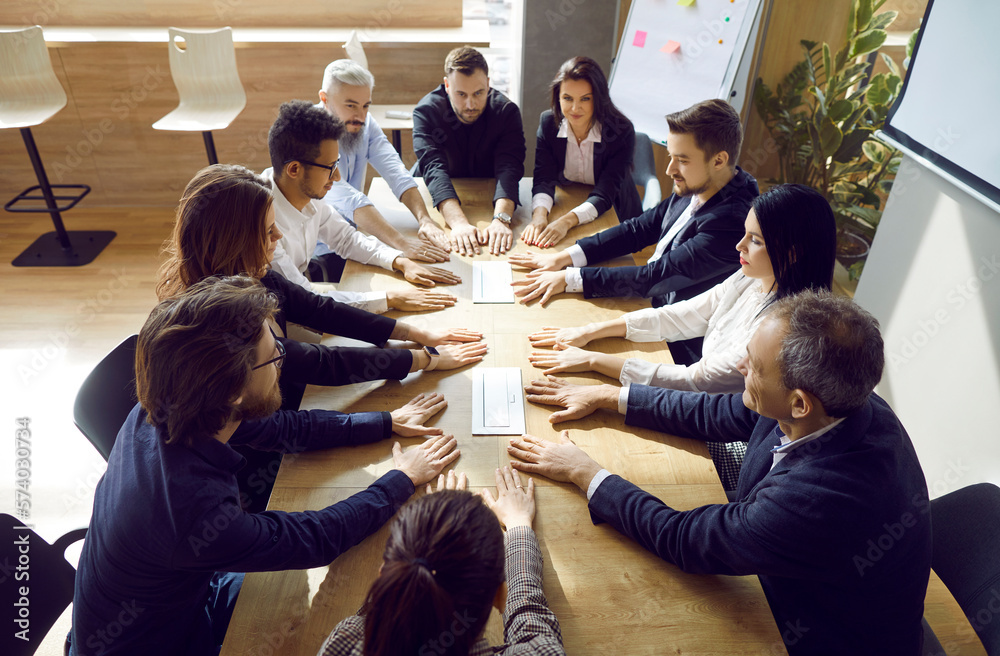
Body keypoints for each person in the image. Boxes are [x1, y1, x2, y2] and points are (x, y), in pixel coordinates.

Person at [507, 290, 932, 655]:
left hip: (812, 633)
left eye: (754, 366)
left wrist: (587, 473)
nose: (740, 368)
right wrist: (610, 396)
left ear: (799, 403)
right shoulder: (839, 403)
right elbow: (718, 411)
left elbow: (687, 541)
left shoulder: (820, 500)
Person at [70, 275, 463, 656]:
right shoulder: (191, 510)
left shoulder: (167, 404)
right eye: (275, 353)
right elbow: (314, 538)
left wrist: (385, 422)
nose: (282, 359)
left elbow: (282, 428)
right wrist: (402, 478)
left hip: (180, 592)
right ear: (234, 391)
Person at [525, 184, 836, 490]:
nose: (739, 246)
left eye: (754, 240)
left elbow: (695, 382)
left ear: (791, 253)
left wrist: (594, 361)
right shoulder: (752, 275)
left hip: (717, 432)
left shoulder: (780, 329)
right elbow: (684, 314)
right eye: (745, 234)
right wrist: (592, 331)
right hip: (690, 406)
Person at [156, 164, 487, 412]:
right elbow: (321, 363)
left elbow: (316, 308)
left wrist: (414, 334)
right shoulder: (224, 320)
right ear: (232, 242)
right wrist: (422, 361)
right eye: (268, 231)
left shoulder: (248, 274)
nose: (279, 238)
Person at [509, 99, 758, 366]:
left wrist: (568, 279)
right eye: (670, 156)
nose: (669, 169)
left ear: (719, 160)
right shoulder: (702, 184)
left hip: (673, 344)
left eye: (682, 160)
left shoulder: (732, 221)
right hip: (644, 309)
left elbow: (655, 277)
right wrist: (567, 257)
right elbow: (638, 229)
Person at [319, 467, 565, 656]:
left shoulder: (344, 642)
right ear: (501, 596)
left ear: (383, 572)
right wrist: (519, 525)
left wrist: (438, 524)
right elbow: (532, 623)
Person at [266, 100, 460, 314]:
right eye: (330, 168)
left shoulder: (306, 194)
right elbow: (307, 301)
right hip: (277, 320)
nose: (337, 176)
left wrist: (399, 261)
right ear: (294, 169)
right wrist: (389, 298)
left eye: (337, 164)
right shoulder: (263, 225)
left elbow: (346, 239)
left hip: (300, 301)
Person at [318, 59, 451, 260]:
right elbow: (349, 199)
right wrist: (402, 244)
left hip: (355, 237)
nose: (360, 116)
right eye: (351, 105)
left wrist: (425, 220)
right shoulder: (309, 136)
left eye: (365, 106)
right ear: (325, 99)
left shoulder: (365, 122)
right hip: (321, 252)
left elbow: (395, 170)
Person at [412, 46, 526, 256]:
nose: (470, 104)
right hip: (439, 192)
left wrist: (502, 220)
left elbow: (509, 166)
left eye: (478, 93)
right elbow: (433, 168)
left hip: (488, 190)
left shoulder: (506, 112)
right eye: (461, 94)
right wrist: (458, 224)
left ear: (488, 84)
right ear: (447, 86)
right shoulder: (426, 112)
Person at [521, 56, 642, 249]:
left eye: (585, 99)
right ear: (557, 97)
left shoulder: (621, 130)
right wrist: (539, 216)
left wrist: (565, 222)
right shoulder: (548, 124)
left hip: (614, 212)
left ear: (599, 98)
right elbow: (544, 178)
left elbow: (605, 194)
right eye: (567, 98)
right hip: (569, 200)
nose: (575, 108)